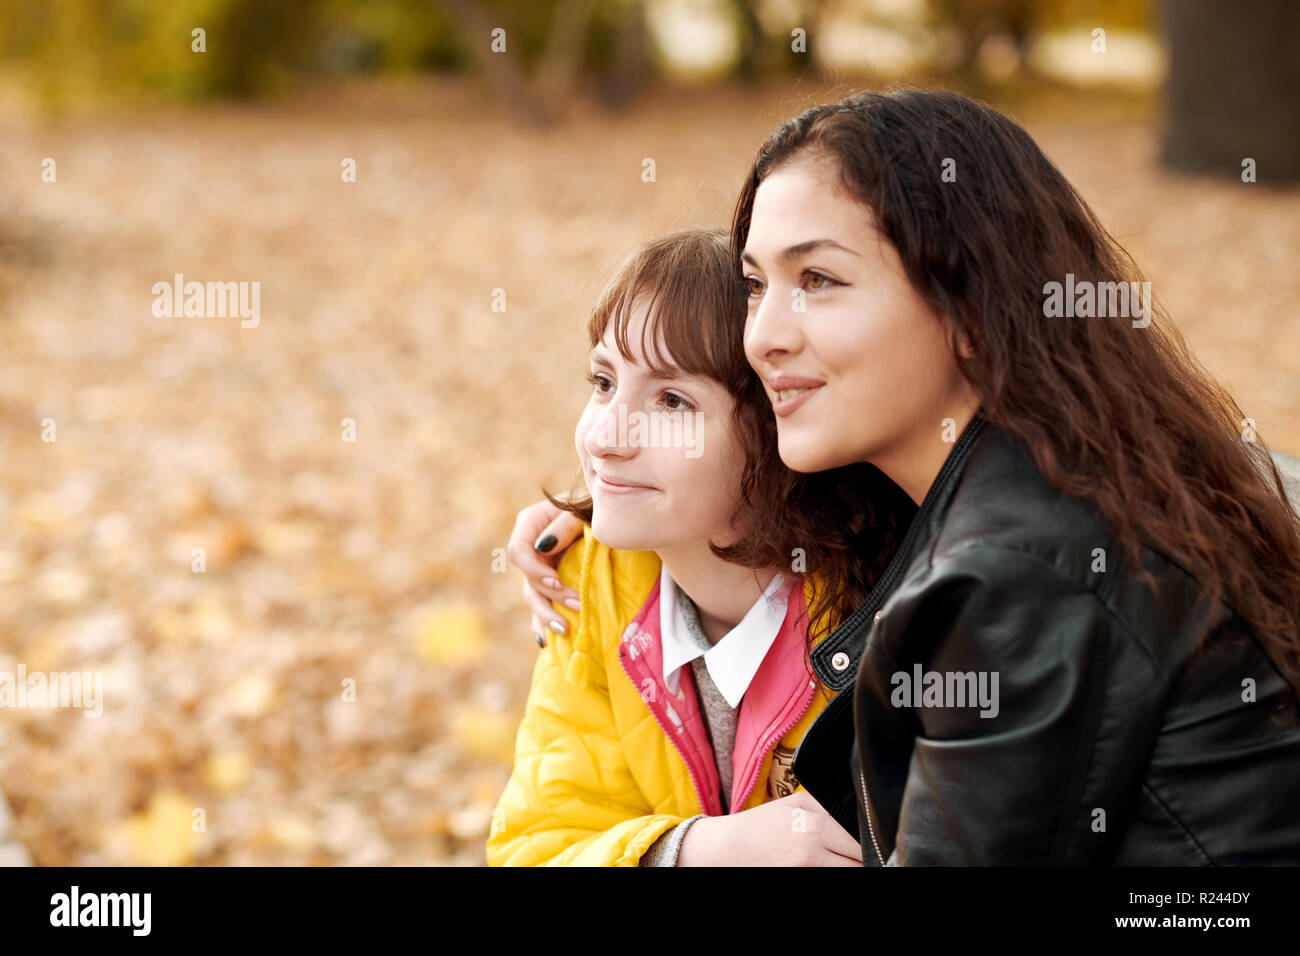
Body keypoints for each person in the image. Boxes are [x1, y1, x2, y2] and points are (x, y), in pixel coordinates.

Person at [511, 89, 1300, 865]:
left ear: (969, 303)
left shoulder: (1014, 575)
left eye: (818, 279)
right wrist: (603, 510)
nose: (766, 337)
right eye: (757, 286)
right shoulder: (1066, 477)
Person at [487, 227, 911, 866]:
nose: (605, 437)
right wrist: (692, 854)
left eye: (672, 400)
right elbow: (536, 847)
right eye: (603, 382)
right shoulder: (590, 584)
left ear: (779, 429)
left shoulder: (882, 613)